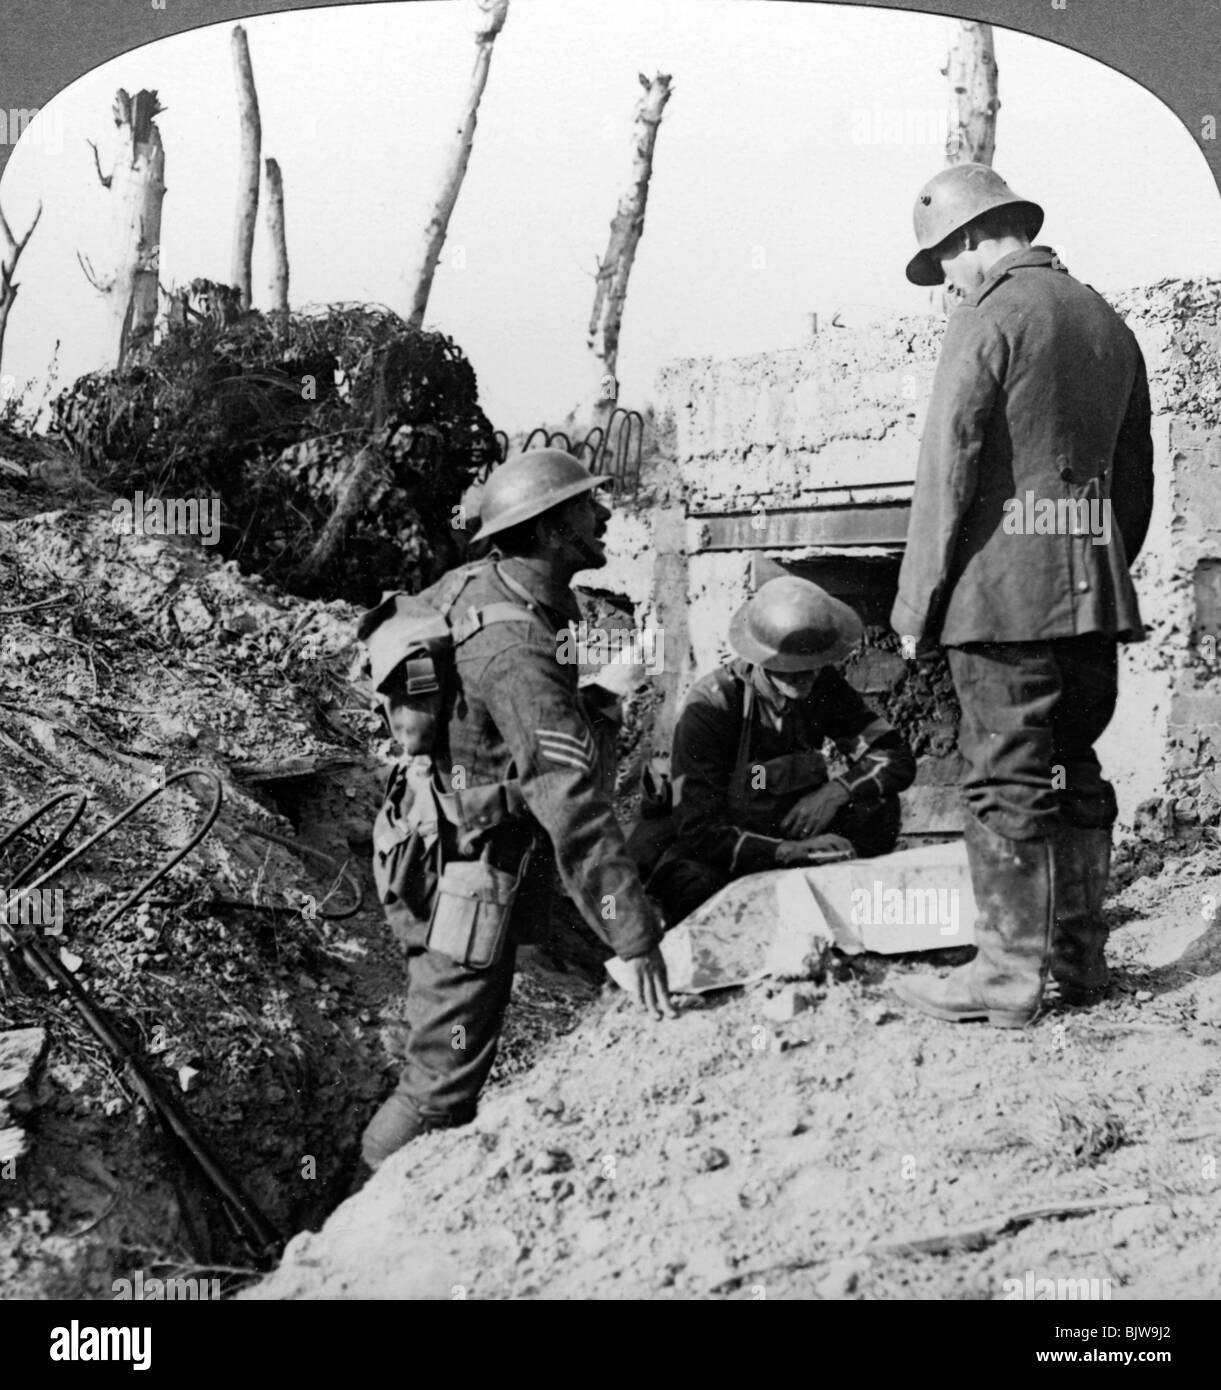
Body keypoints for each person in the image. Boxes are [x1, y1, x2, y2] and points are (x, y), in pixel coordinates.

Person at [357, 448, 674, 1175]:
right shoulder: (515, 646)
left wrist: (596, 696)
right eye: (586, 506)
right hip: (466, 876)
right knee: (440, 1087)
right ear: (551, 527)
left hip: (456, 838)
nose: (604, 514)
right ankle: (345, 1240)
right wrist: (634, 936)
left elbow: (509, 734)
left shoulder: (482, 586)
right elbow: (568, 797)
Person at [890, 163, 1154, 1027]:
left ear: (971, 239)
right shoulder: (1106, 322)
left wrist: (914, 607)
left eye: (945, 264)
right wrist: (1099, 569)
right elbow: (1136, 480)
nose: (948, 283)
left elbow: (947, 467)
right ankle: (1079, 965)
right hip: (1088, 598)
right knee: (1074, 766)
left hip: (1000, 601)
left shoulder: (989, 315)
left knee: (1002, 778)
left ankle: (1004, 978)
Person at [649, 575, 916, 926]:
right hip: (732, 845)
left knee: (877, 806)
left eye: (813, 667)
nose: (805, 678)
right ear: (762, 659)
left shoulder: (823, 687)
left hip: (795, 827)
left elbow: (894, 756)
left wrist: (837, 791)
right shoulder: (713, 704)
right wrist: (783, 852)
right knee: (693, 888)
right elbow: (699, 828)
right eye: (791, 670)